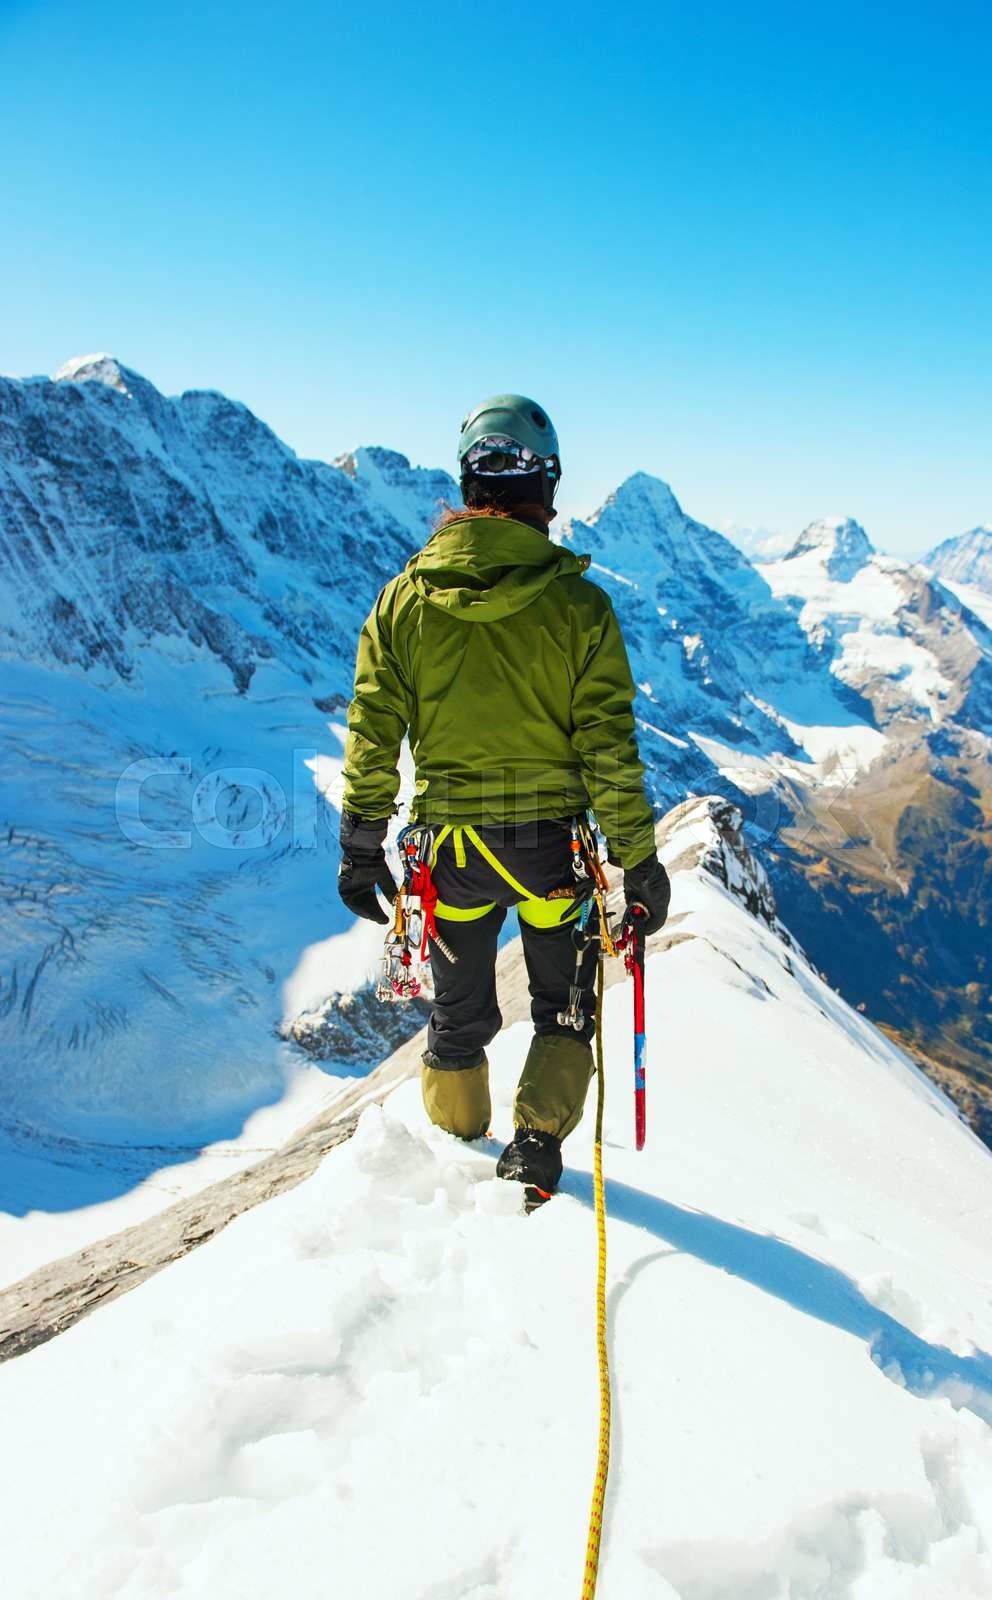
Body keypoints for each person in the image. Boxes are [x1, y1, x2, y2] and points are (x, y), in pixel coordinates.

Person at [338, 394, 670, 1196]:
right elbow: (607, 750)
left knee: (458, 1017)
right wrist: (639, 861)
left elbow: (375, 729)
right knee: (560, 1006)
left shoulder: (403, 602)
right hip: (548, 853)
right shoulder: (579, 607)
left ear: (468, 483)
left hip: (449, 860)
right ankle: (534, 1151)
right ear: (546, 487)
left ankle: (458, 1150)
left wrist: (359, 846)